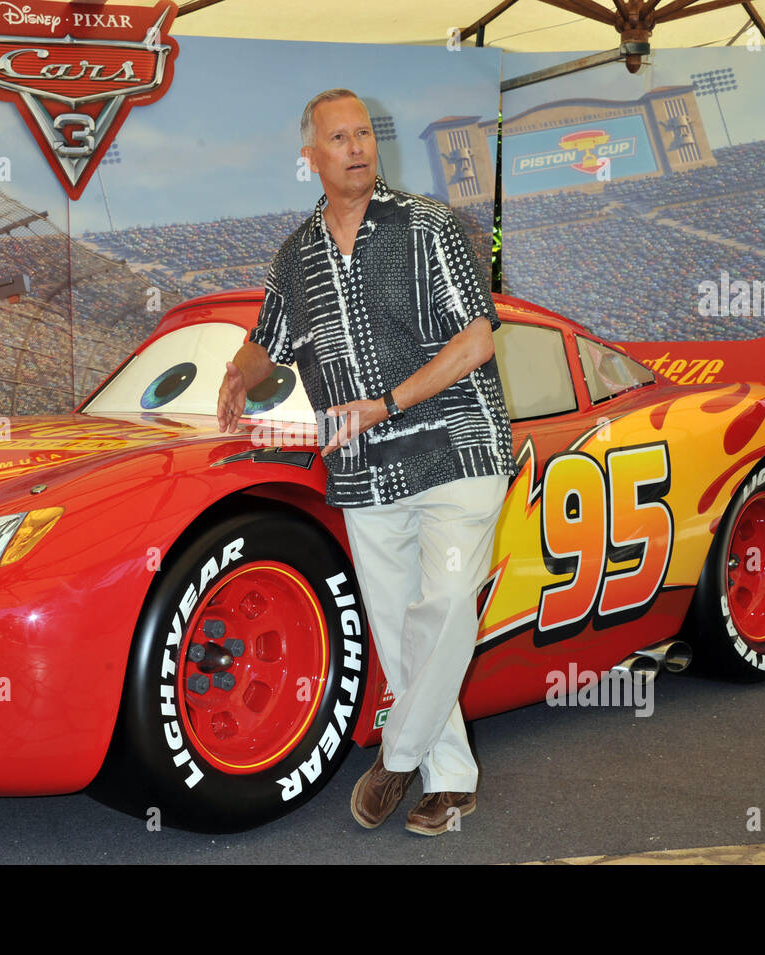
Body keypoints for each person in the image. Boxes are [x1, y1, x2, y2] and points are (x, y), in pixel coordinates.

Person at [216, 89, 516, 836]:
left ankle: (399, 754)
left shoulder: (429, 225)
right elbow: (270, 337)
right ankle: (451, 781)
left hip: (457, 447)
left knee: (444, 608)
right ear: (311, 157)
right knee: (404, 634)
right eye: (339, 137)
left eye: (365, 134)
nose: (357, 147)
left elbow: (476, 341)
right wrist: (236, 370)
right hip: (365, 472)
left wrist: (386, 401)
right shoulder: (296, 255)